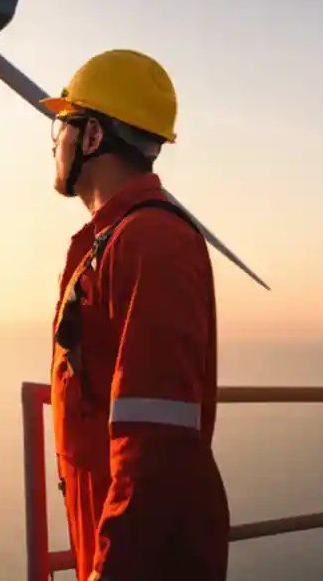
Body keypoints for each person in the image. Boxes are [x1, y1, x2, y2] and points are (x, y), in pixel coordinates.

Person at [45, 49, 230, 581]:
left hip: (144, 559)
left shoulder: (152, 242)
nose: (57, 141)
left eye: (65, 124)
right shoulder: (117, 239)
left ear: (94, 137)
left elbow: (154, 444)